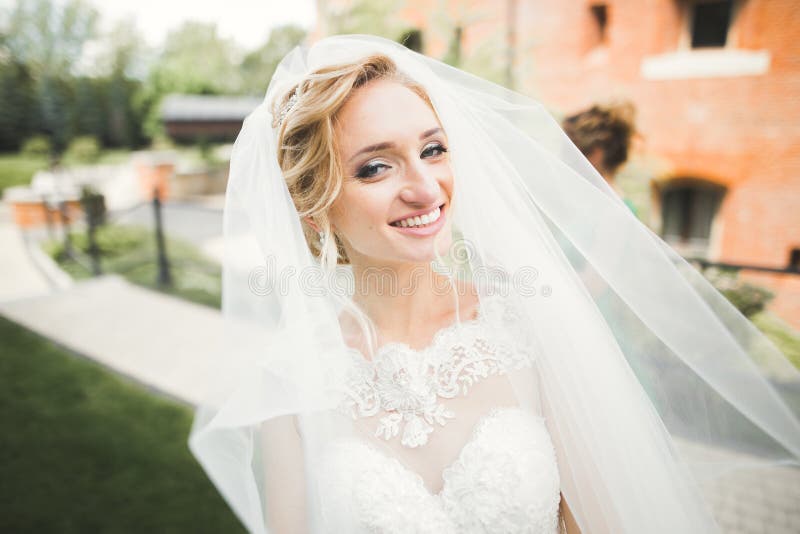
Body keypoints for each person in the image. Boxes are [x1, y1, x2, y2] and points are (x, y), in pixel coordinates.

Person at [189, 35, 800, 534]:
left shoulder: (525, 329)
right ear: (313, 209)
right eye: (376, 166)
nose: (425, 188)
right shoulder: (291, 382)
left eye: (433, 150)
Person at [562, 103, 639, 217]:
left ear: (596, 153)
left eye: (570, 150)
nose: (564, 158)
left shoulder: (613, 211)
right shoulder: (620, 207)